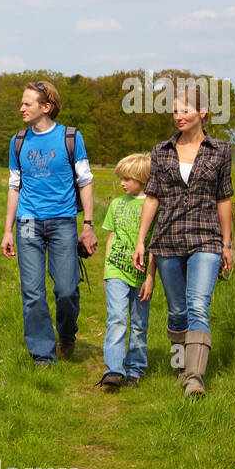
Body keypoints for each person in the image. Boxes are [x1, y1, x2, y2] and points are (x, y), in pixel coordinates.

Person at [132, 78, 234, 397]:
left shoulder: (220, 151)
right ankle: (180, 365)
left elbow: (224, 198)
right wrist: (140, 240)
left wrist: (227, 244)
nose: (178, 116)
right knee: (177, 311)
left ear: (203, 112)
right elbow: (152, 198)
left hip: (207, 238)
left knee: (198, 305)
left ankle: (194, 379)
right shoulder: (161, 151)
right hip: (168, 239)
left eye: (185, 110)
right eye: (175, 111)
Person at [0, 80, 97, 365]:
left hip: (62, 222)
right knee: (32, 292)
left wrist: (88, 226)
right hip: (27, 222)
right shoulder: (18, 142)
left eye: (27, 104)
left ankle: (67, 334)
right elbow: (13, 186)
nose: (21, 108)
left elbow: (86, 182)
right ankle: (42, 355)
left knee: (66, 290)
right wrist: (7, 230)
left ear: (47, 107)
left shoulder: (70, 137)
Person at [99, 153, 156, 390]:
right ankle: (114, 369)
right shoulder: (116, 204)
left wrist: (151, 277)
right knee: (117, 318)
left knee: (139, 323)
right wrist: (105, 271)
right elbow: (111, 236)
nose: (122, 183)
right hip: (116, 270)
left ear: (142, 178)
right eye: (121, 178)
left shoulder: (154, 206)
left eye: (127, 178)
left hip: (141, 274)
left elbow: (155, 245)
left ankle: (134, 369)